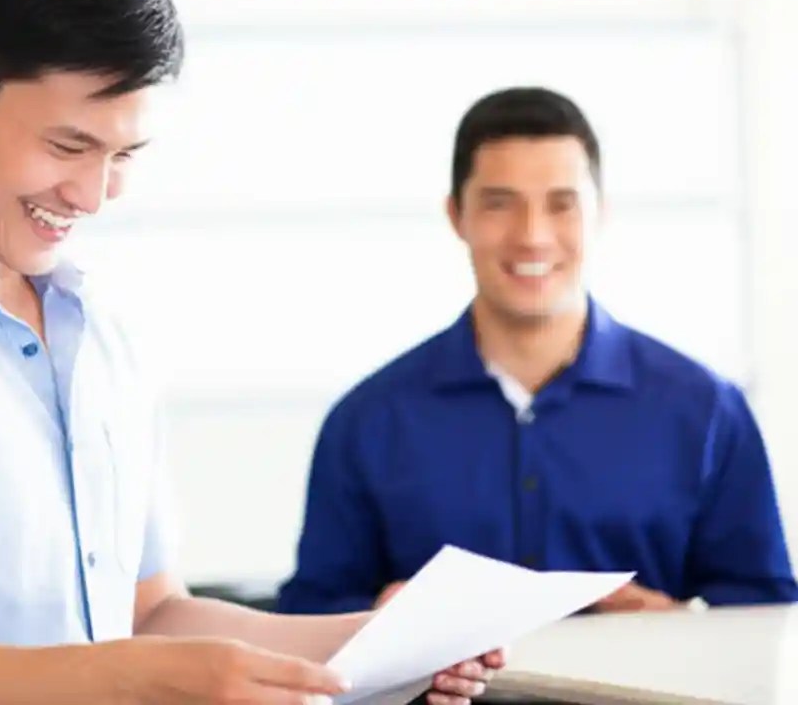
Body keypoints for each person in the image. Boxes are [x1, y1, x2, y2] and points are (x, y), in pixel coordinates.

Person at [0, 0, 501, 702]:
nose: (91, 195)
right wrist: (131, 679)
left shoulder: (100, 332)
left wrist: (385, 645)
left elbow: (149, 614)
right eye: (67, 147)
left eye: (123, 157)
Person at [277, 86, 798, 618]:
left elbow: (768, 621)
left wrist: (675, 627)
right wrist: (372, 614)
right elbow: (308, 618)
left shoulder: (706, 411)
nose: (532, 236)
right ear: (457, 216)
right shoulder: (367, 421)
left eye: (561, 205)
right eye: (500, 205)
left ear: (600, 214)